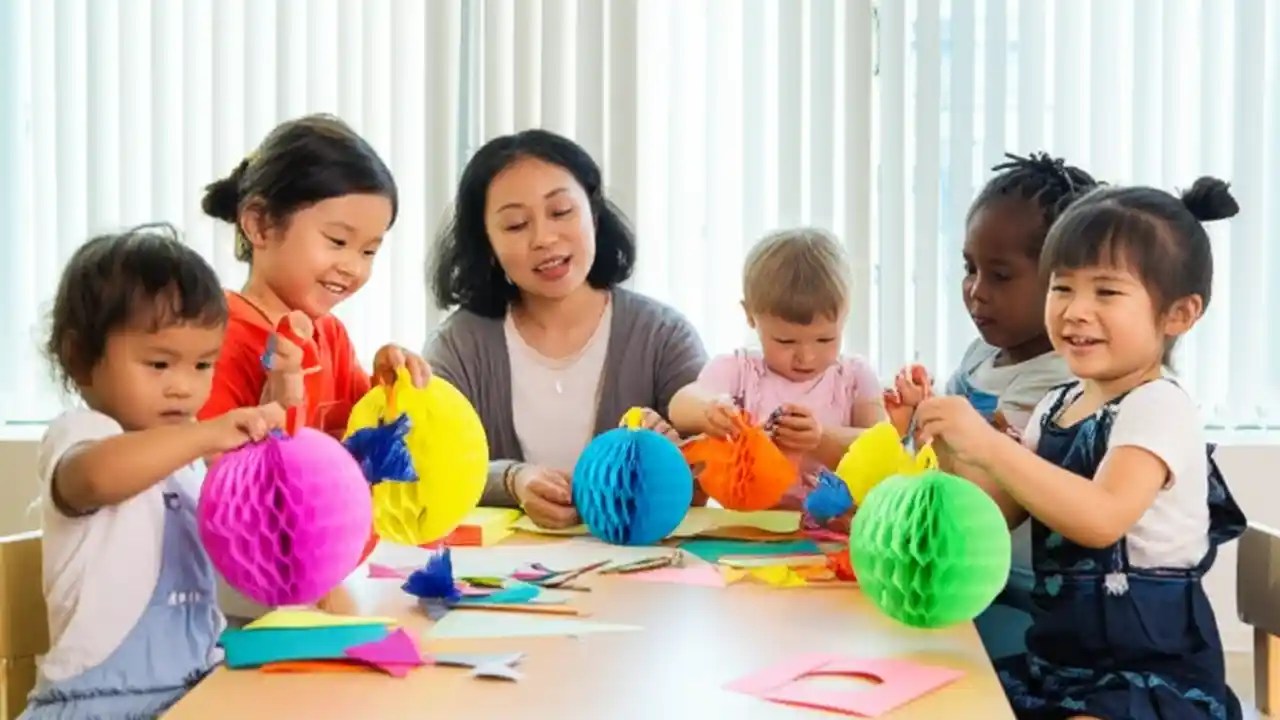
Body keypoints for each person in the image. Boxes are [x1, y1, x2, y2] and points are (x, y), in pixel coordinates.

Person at [916, 178, 1246, 719]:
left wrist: (994, 449)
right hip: (1059, 665)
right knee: (942, 701)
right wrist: (952, 448)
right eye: (1062, 287)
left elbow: (1101, 517)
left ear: (1179, 314)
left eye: (1107, 292)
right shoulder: (1058, 403)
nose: (1074, 311)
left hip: (1150, 675)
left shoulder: (1158, 405)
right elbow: (1002, 511)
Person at [23, 224, 285, 719]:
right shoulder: (82, 434)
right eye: (160, 365)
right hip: (100, 703)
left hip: (191, 693)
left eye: (203, 365)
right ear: (81, 358)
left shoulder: (185, 457)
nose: (183, 388)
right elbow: (98, 478)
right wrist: (207, 435)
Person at [426, 129, 707, 529]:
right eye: (516, 224)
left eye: (560, 212)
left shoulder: (663, 336)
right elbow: (429, 465)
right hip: (502, 579)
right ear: (487, 244)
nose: (544, 238)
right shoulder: (458, 346)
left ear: (593, 213)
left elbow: (709, 478)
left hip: (639, 575)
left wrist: (669, 458)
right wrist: (512, 480)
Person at [884, 151, 1099, 659]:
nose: (976, 292)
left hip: (1030, 601)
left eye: (1000, 275)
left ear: (1062, 282)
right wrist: (914, 417)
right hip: (973, 577)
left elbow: (988, 502)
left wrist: (929, 427)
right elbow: (935, 447)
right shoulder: (983, 355)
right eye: (969, 268)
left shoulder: (1063, 380)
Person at [198, 113, 430, 439]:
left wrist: (388, 388)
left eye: (368, 251)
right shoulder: (214, 336)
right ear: (259, 224)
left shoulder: (331, 335)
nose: (354, 267)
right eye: (337, 241)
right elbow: (213, 470)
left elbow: (358, 443)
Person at [668, 228, 884, 522]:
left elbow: (882, 451)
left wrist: (820, 439)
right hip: (749, 528)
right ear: (750, 315)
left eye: (825, 340)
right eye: (785, 341)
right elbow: (680, 405)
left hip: (833, 532)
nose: (806, 357)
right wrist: (710, 409)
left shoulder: (855, 377)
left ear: (846, 315)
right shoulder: (739, 370)